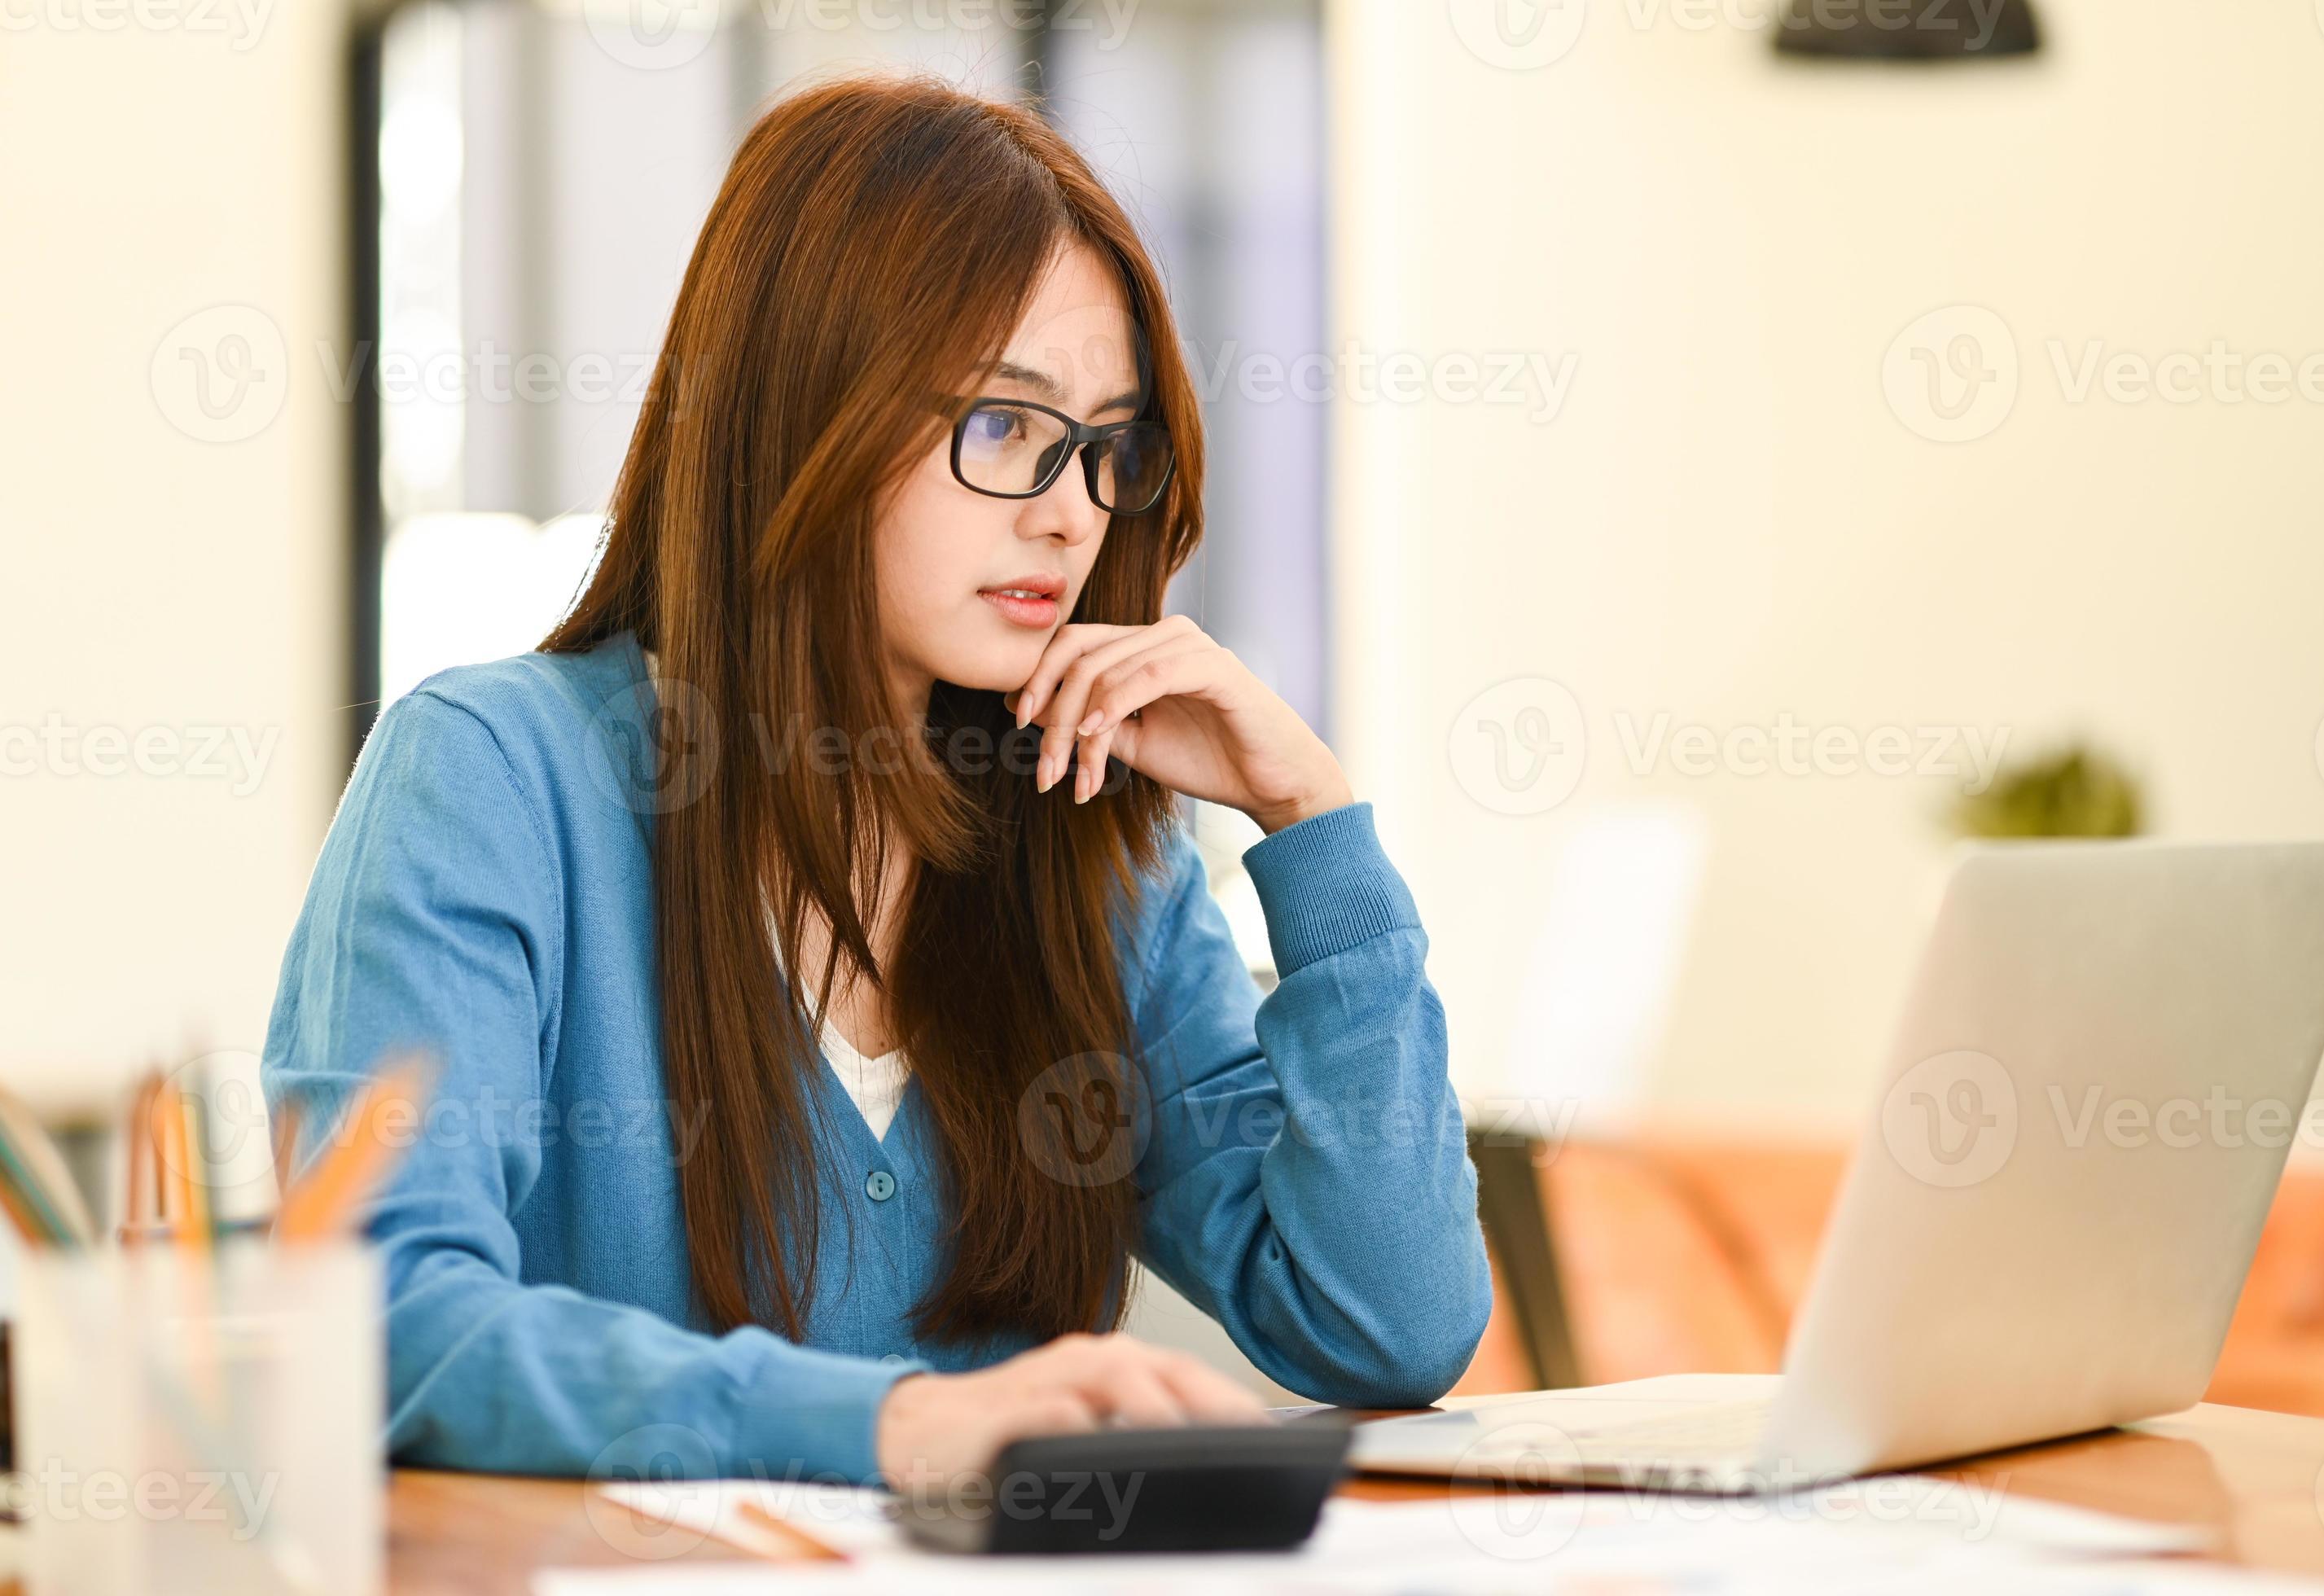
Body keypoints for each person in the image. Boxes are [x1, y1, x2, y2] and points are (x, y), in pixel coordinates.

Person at [261, 72, 1489, 1488]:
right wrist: (893, 1427)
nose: (1070, 512)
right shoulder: (492, 778)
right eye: (1007, 425)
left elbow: (1389, 1327)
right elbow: (385, 1323)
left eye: (1105, 447)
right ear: (804, 412)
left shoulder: (1092, 844)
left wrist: (1310, 825)